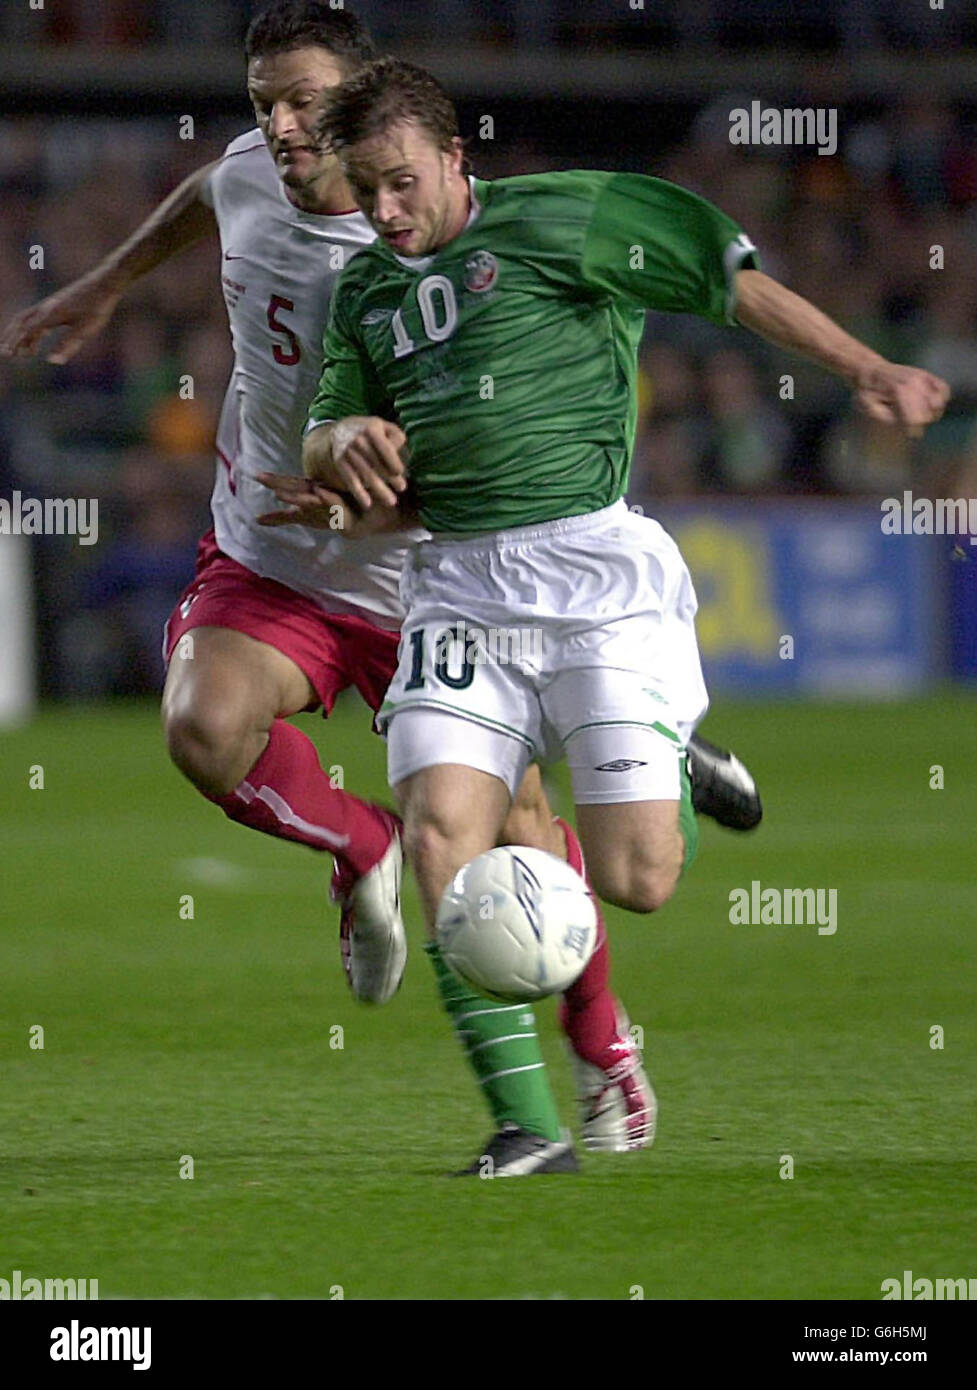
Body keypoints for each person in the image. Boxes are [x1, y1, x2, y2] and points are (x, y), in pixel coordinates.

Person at [0, 3, 759, 1162]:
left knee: (515, 853)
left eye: (306, 102)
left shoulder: (428, 238)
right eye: (264, 102)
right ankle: (367, 859)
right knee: (204, 728)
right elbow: (204, 193)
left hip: (427, 579)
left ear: (365, 98)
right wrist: (104, 282)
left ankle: (604, 1050)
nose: (283, 127)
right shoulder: (252, 170)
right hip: (270, 558)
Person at [265, 56, 948, 1175]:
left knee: (639, 878)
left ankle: (674, 758)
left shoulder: (569, 216)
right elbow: (335, 434)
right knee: (441, 839)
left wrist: (866, 366)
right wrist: (336, 458)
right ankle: (528, 1125)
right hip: (453, 587)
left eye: (398, 184)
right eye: (363, 190)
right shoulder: (367, 292)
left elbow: (724, 278)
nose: (381, 213)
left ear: (453, 157)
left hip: (592, 577)